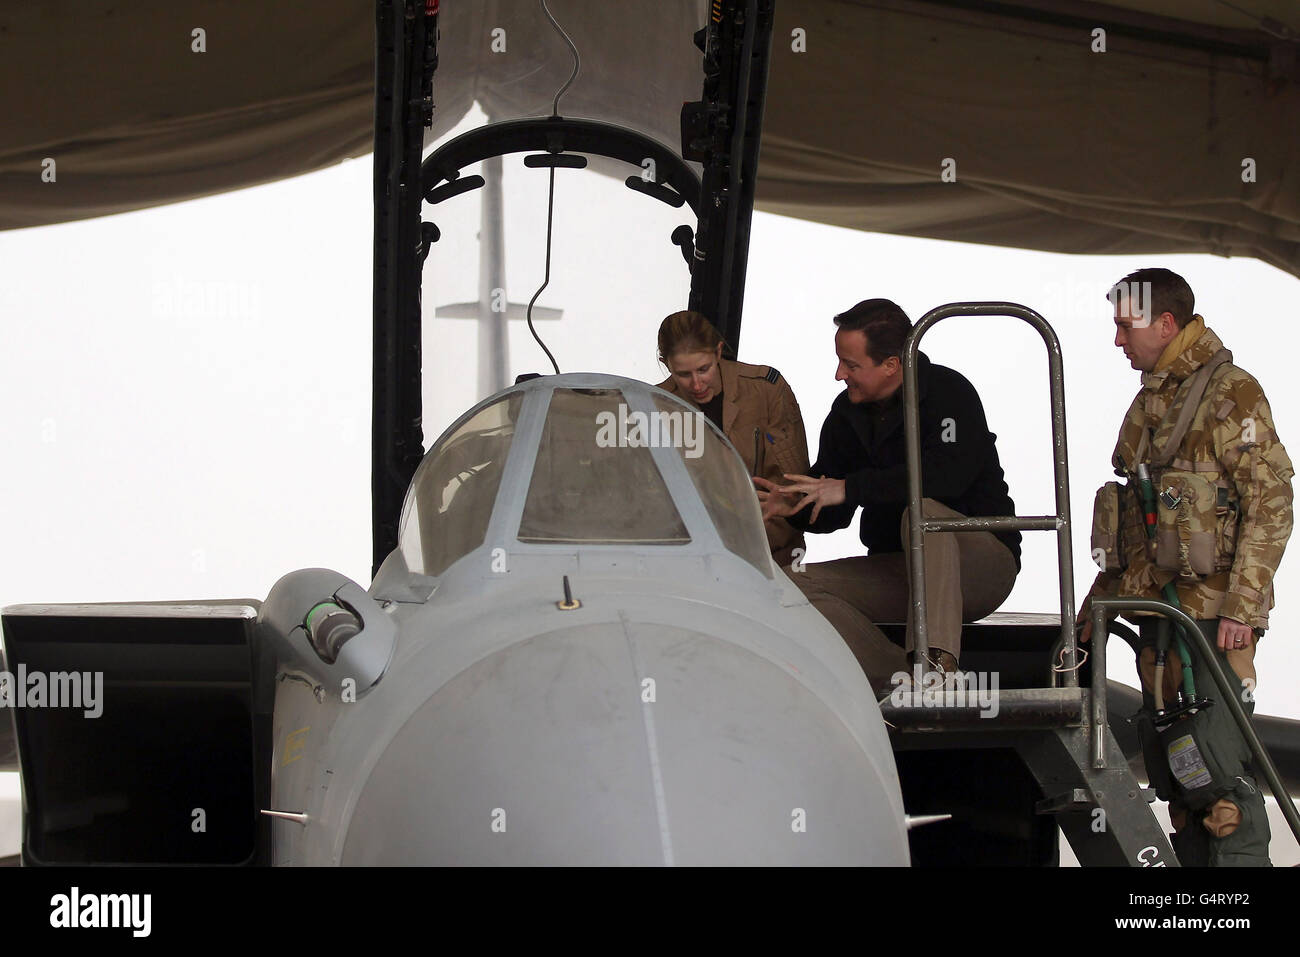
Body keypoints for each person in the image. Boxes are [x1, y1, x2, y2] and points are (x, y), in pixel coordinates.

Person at [1078, 267, 1293, 867]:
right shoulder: (1153, 398)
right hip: (1158, 617)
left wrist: (1242, 612)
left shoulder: (1231, 393)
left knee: (1220, 780)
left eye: (1125, 326)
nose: (1117, 340)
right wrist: (1096, 608)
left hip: (1212, 618)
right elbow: (1135, 521)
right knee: (1180, 779)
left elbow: (1271, 505)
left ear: (1165, 323)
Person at [757, 299, 1021, 685]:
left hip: (978, 569)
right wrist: (794, 504)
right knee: (788, 586)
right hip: (903, 570)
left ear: (891, 365)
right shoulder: (846, 413)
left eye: (850, 365)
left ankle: (937, 664)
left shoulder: (949, 392)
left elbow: (947, 479)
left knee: (924, 513)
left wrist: (851, 488)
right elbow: (835, 508)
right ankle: (904, 682)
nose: (838, 374)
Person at [654, 310, 810, 566]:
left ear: (718, 352)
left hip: (773, 557)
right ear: (665, 363)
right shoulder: (653, 406)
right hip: (688, 561)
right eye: (683, 374)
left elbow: (795, 490)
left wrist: (743, 551)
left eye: (704, 369)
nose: (696, 384)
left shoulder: (767, 391)